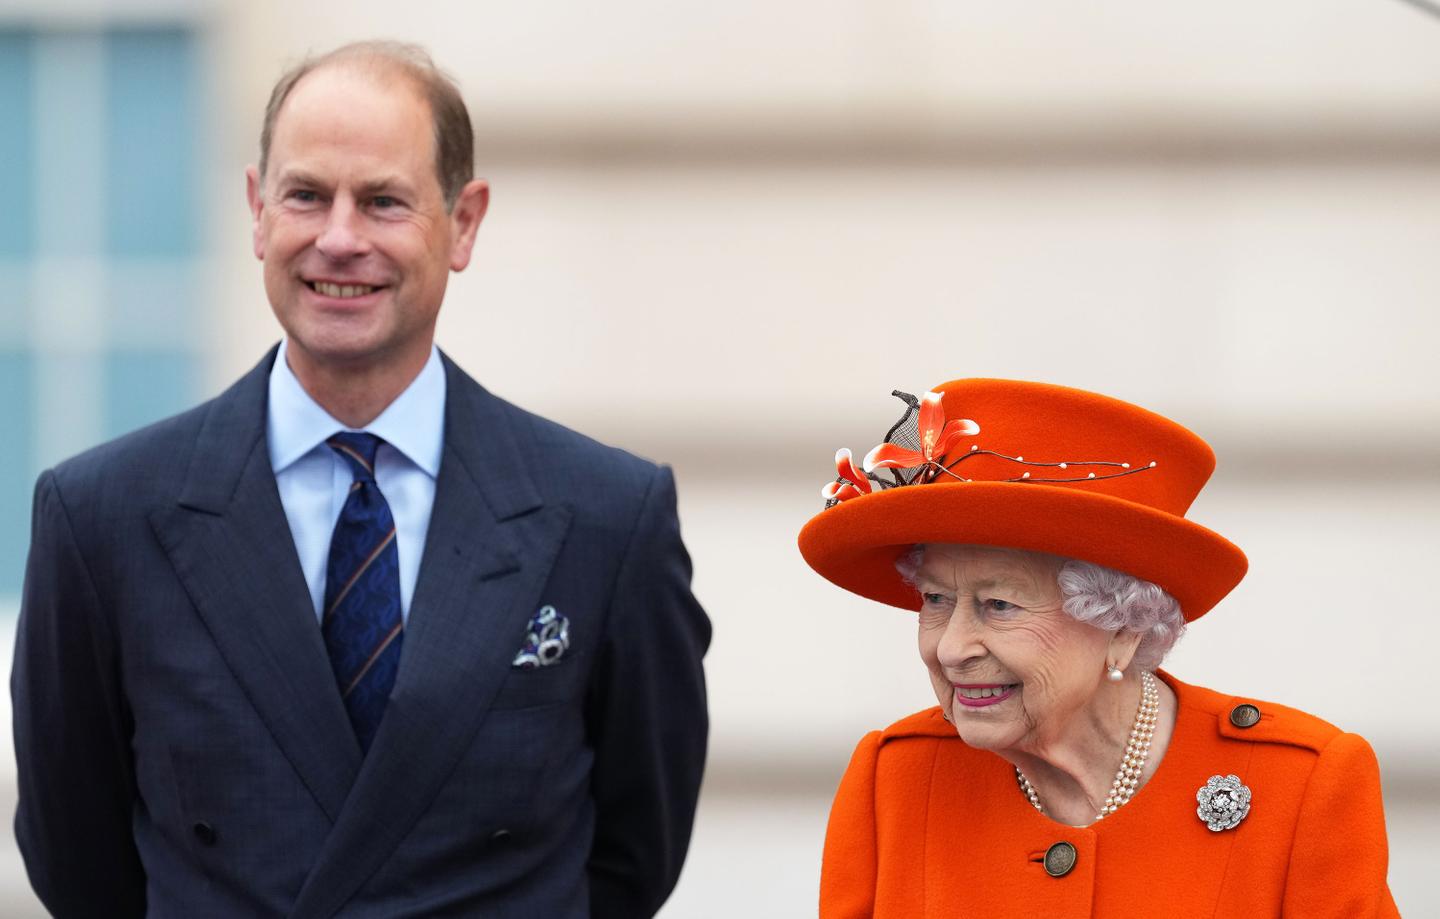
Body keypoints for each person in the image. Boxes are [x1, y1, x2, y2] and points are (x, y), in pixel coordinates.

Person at [12, 41, 709, 918]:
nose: (339, 240)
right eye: (306, 195)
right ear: (257, 209)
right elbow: (78, 860)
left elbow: (635, 855)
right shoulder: (101, 518)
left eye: (383, 201)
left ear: (463, 223)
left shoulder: (607, 518)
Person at [798, 379, 1398, 918]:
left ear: (1121, 626)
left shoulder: (1299, 788)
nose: (951, 648)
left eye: (999, 605)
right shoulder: (895, 779)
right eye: (934, 599)